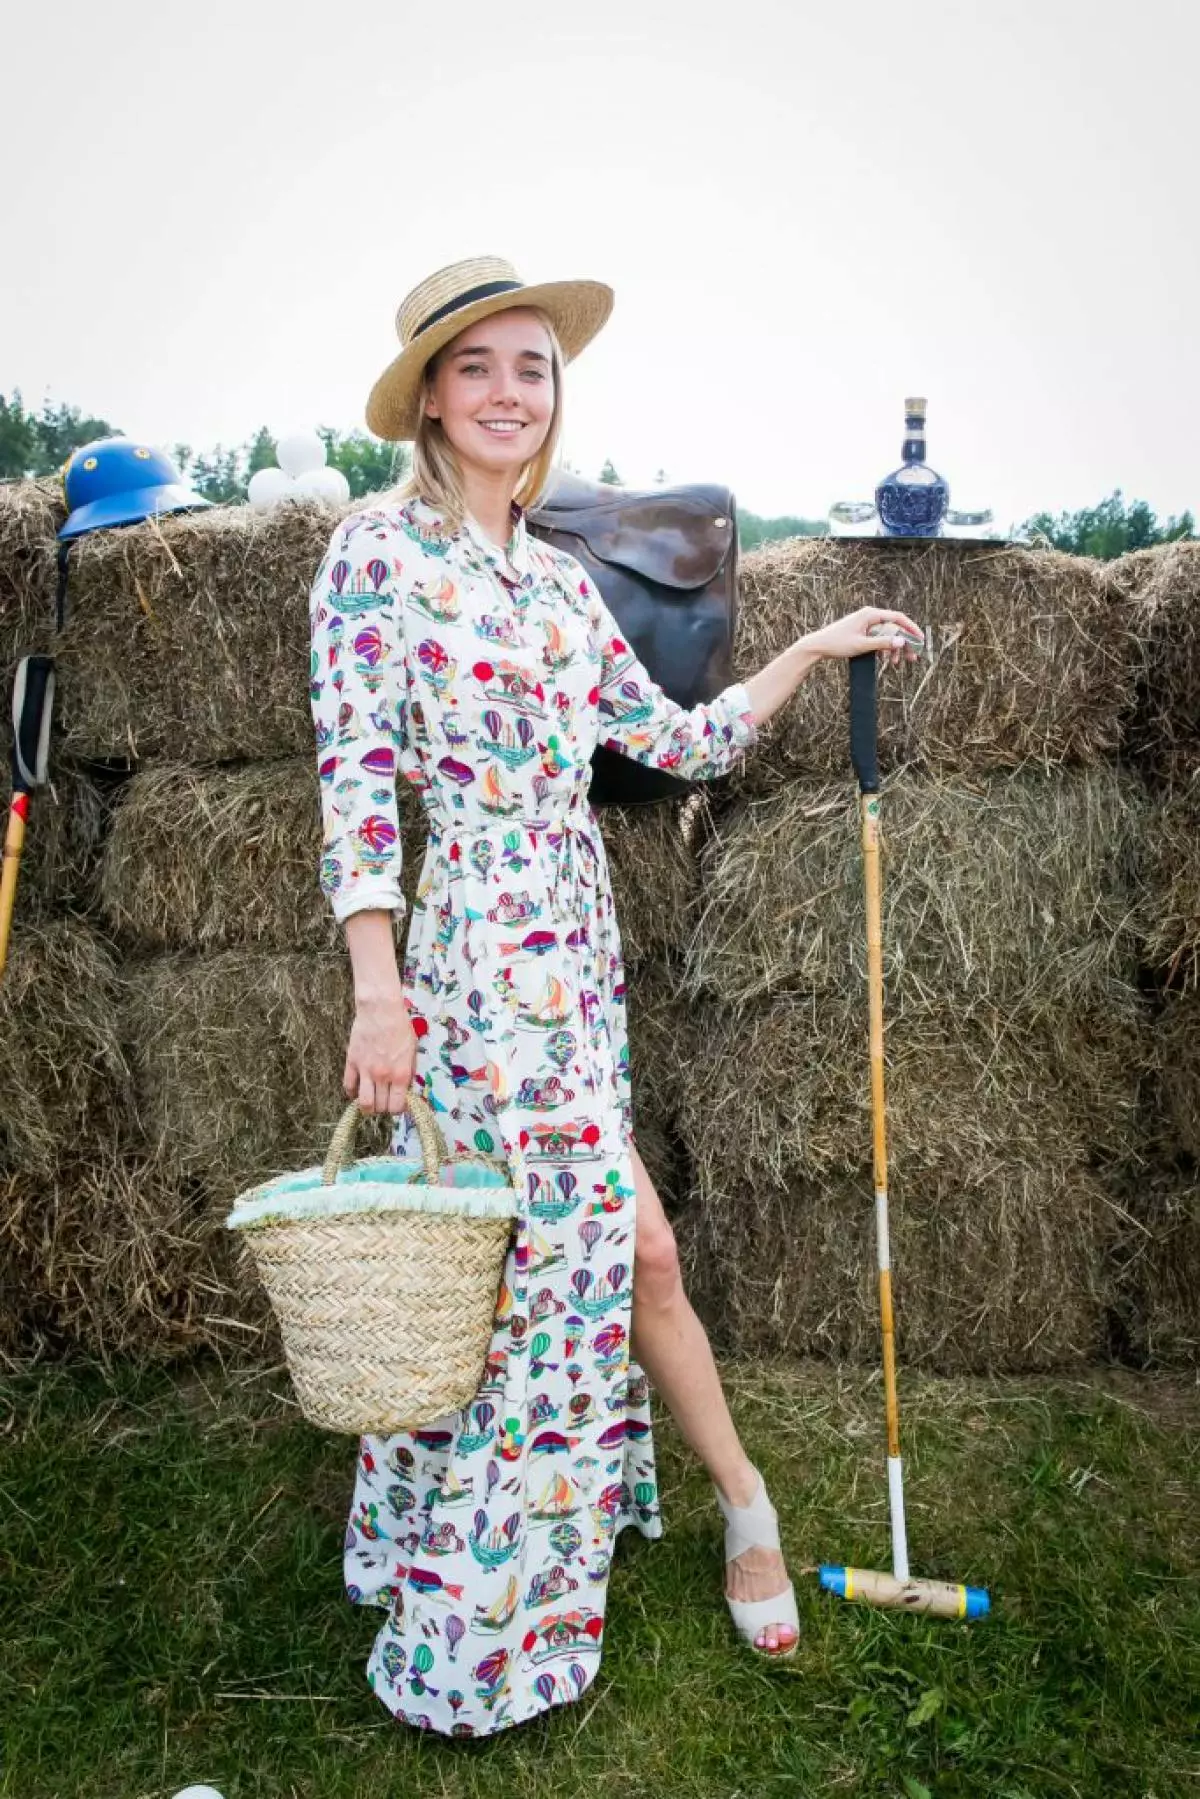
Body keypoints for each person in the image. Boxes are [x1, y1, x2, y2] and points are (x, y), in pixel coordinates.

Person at [308, 256, 922, 1737]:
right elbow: (355, 786)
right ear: (432, 401)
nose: (511, 392)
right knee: (540, 1264)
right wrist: (376, 987)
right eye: (480, 369)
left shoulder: (560, 581)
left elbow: (685, 740)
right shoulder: (374, 555)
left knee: (599, 1250)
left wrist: (811, 648)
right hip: (467, 960)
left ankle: (690, 1502)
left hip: (575, 960)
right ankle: (584, 1555)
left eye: (533, 368)